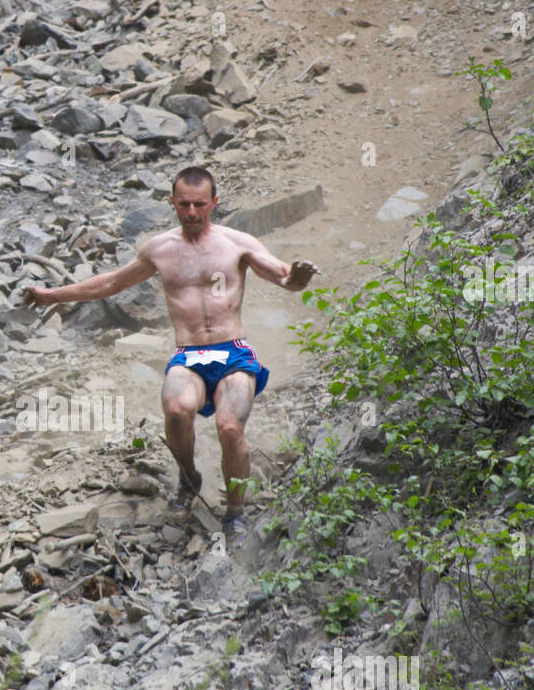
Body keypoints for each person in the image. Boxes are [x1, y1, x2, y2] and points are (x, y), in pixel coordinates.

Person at [22, 166, 317, 546]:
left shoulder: (237, 243)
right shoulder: (160, 249)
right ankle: (189, 476)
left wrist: (299, 277)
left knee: (229, 428)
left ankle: (235, 513)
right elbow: (111, 282)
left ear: (215, 203)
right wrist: (51, 295)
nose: (192, 212)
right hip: (189, 354)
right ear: (172, 204)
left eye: (199, 204)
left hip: (233, 352)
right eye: (184, 204)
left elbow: (282, 276)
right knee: (177, 410)